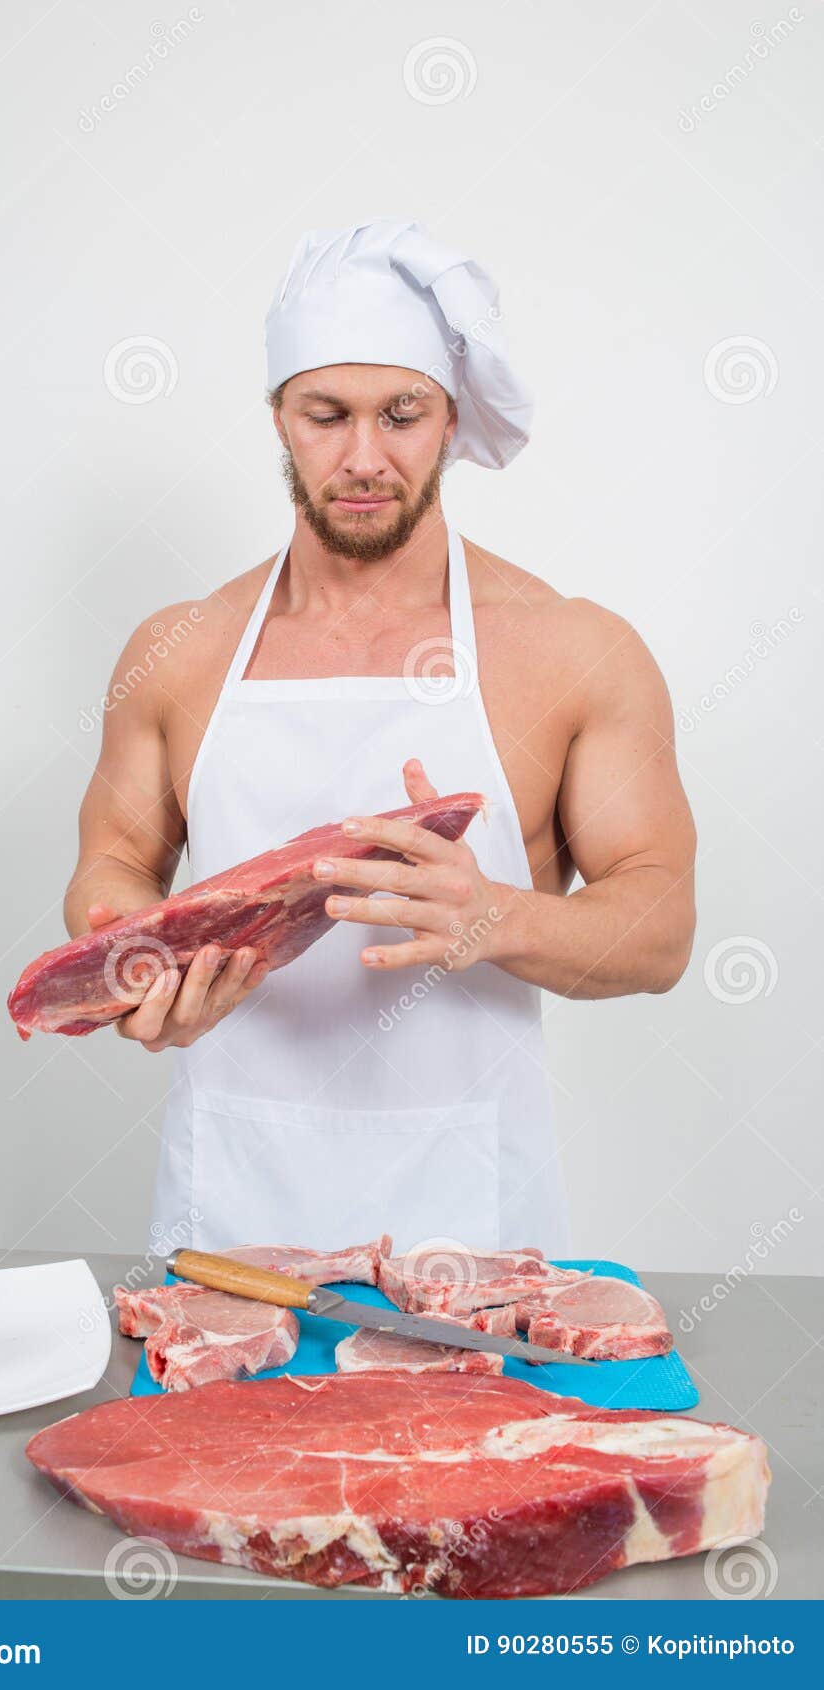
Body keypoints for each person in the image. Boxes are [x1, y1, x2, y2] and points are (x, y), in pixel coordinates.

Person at [63, 219, 696, 1256]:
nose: (363, 458)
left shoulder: (572, 649)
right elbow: (114, 862)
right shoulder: (177, 650)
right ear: (277, 416)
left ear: (448, 419)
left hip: (473, 1241)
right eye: (326, 414)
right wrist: (140, 964)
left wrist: (493, 918)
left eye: (401, 415)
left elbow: (660, 923)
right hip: (231, 1227)